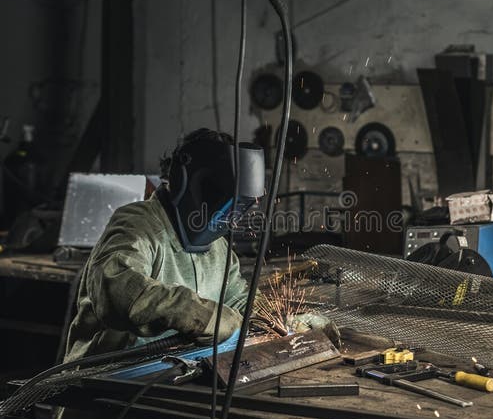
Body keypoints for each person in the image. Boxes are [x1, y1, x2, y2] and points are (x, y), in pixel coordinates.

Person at [64, 128, 335, 363]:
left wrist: (287, 322)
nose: (231, 218)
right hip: (106, 384)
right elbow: (118, 292)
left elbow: (239, 305)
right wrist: (203, 316)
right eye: (227, 204)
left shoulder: (218, 249)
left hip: (172, 377)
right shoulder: (138, 224)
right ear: (188, 184)